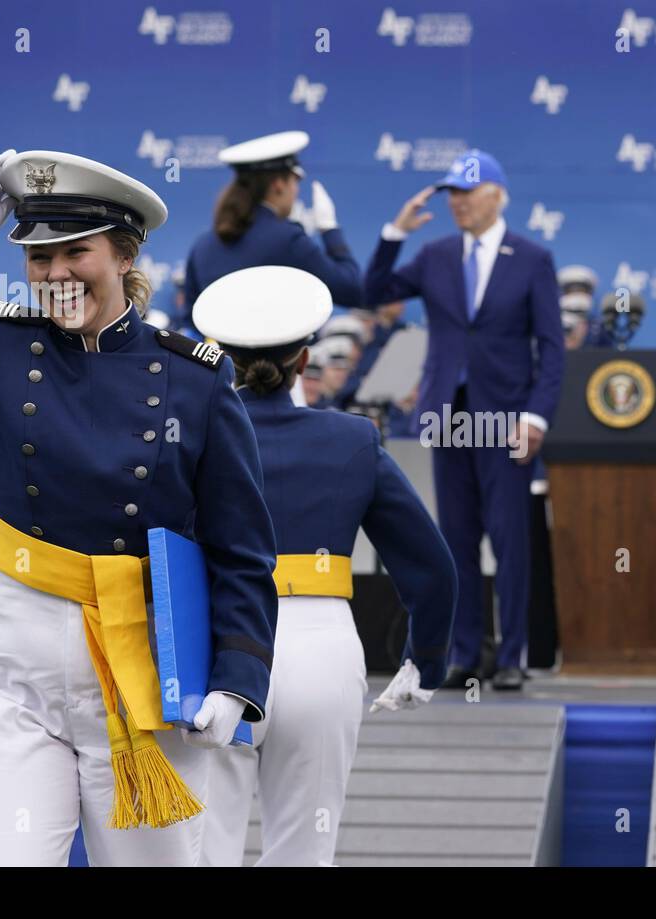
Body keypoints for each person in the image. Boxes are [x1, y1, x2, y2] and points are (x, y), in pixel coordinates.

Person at [0, 150, 279, 866]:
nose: (55, 275)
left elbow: (241, 545)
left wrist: (237, 677)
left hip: (142, 672)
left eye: (77, 252)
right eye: (39, 257)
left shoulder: (196, 380)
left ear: (125, 254)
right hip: (12, 668)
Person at [191, 265, 455, 866]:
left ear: (221, 361)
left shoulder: (190, 435)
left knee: (203, 851)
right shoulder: (352, 440)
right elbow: (433, 566)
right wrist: (428, 659)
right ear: (305, 359)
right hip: (321, 652)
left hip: (219, 648)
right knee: (304, 852)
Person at [364, 149, 564, 690]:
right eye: (452, 193)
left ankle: (514, 654)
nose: (458, 203)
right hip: (450, 418)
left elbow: (551, 348)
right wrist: (393, 232)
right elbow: (374, 291)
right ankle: (467, 652)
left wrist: (536, 418)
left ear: (497, 195)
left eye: (467, 193)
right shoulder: (435, 255)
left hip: (506, 421)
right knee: (455, 539)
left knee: (509, 539)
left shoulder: (532, 258)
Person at [181, 130, 363, 325]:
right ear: (278, 185)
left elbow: (191, 320)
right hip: (273, 356)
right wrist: (330, 230)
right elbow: (352, 290)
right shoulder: (287, 239)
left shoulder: (202, 246)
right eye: (295, 181)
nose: (296, 190)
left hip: (219, 354)